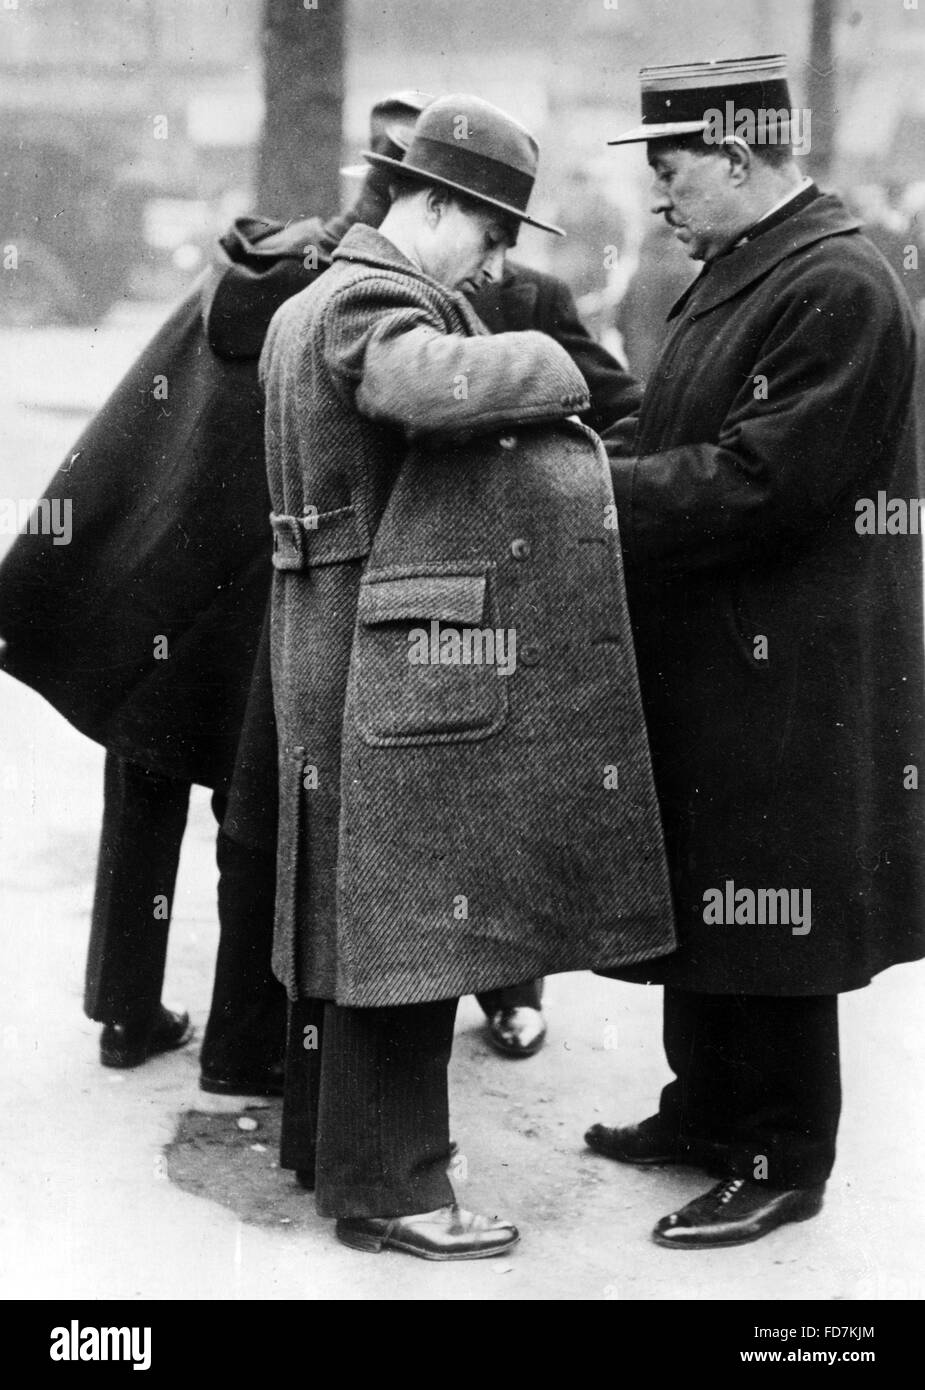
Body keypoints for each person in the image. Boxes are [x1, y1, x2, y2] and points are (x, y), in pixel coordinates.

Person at [261, 92, 675, 1259]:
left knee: (354, 914)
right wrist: (556, 357)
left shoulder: (311, 296)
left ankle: (339, 1159)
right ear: (433, 204)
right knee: (407, 924)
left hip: (326, 628)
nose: (495, 259)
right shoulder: (373, 299)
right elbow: (414, 385)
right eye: (489, 231)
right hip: (380, 645)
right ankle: (397, 1192)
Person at [0, 91, 433, 1086]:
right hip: (264, 598)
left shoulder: (248, 265)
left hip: (161, 579)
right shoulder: (362, 295)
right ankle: (251, 1042)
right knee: (264, 817)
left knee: (143, 775)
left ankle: (124, 1008)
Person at [588, 55, 925, 1248]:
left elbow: (763, 479)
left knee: (776, 899)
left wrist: (588, 498)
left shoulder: (835, 280)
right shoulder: (754, 265)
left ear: (737, 158)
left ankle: (783, 1154)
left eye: (672, 174)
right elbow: (679, 421)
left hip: (791, 665)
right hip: (726, 646)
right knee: (707, 878)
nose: (659, 201)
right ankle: (705, 1109)